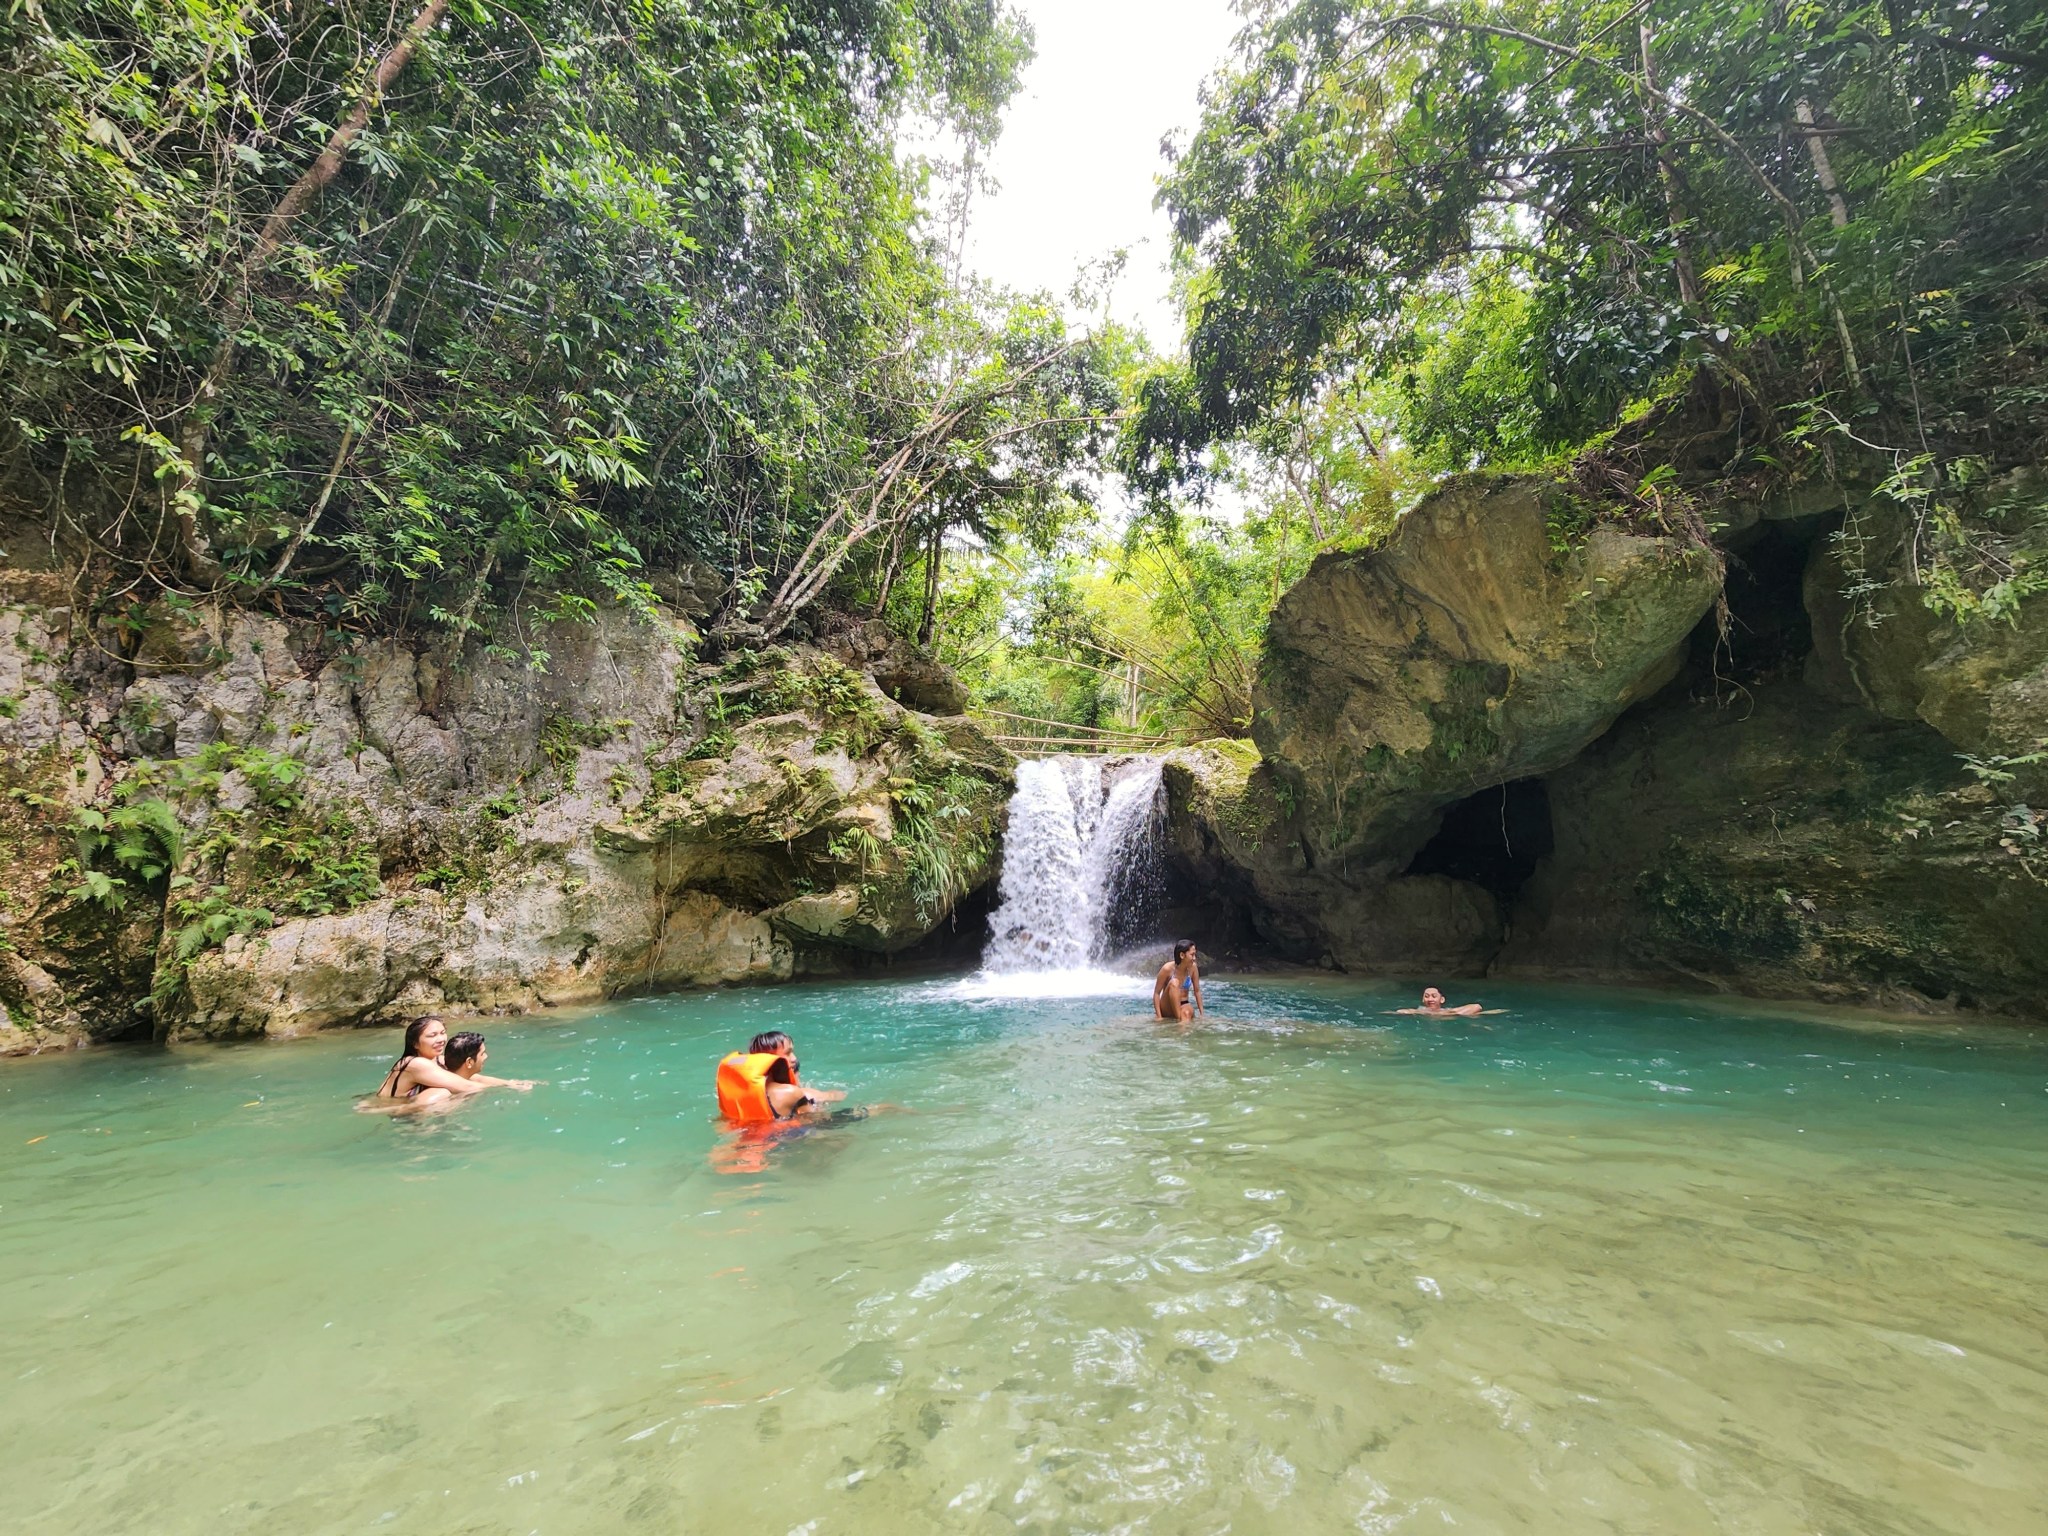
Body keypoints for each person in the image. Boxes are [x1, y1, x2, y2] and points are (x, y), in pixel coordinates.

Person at [714, 1030, 847, 1122]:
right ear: (770, 1059)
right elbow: (817, 1121)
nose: (794, 1058)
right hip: (785, 1144)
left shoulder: (739, 1095)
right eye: (788, 1053)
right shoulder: (790, 1093)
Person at [367, 1015, 484, 1109]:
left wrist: (502, 1084)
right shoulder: (415, 1064)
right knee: (442, 1093)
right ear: (415, 1044)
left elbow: (473, 1078)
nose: (441, 1040)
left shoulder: (439, 1060)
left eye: (443, 1033)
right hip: (397, 1115)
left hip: (416, 1116)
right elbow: (466, 1086)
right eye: (432, 1035)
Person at [442, 1031, 538, 1091]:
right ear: (469, 1062)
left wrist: (510, 1084)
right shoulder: (444, 1094)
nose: (486, 1056)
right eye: (482, 1053)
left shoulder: (463, 1076)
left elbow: (480, 1079)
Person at [1153, 940, 1205, 1022]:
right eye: (1192, 955)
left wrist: (1202, 1014)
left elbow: (1197, 991)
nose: (1194, 958)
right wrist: (1159, 1017)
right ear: (1182, 955)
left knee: (1186, 1014)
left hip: (1184, 1003)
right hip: (1167, 1006)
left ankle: (1181, 1031)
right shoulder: (1167, 968)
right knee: (1174, 983)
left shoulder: (1193, 968)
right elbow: (1156, 993)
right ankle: (1178, 1019)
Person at [1392, 987, 1490, 1017]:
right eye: (1426, 996)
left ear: (1442, 999)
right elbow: (1400, 1011)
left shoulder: (1448, 1011)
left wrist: (1448, 1013)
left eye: (1434, 996)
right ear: (1422, 999)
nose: (1430, 999)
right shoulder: (1419, 1011)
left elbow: (1477, 1006)